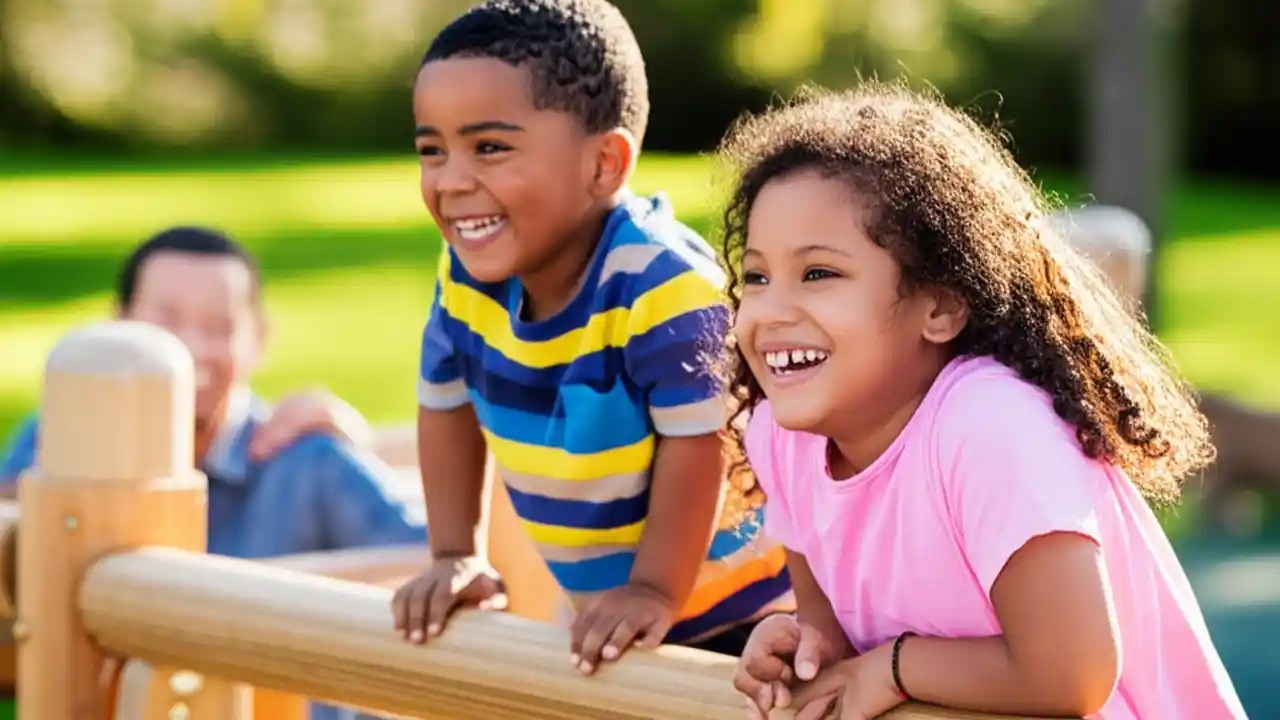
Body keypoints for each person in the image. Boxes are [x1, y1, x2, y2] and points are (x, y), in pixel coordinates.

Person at [723, 85, 1245, 719]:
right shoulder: (784, 436)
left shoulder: (989, 428)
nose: (771, 310)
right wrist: (802, 649)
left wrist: (895, 667)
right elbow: (829, 631)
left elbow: (1071, 674)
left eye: (819, 274)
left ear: (939, 307)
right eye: (756, 276)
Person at [391, 0, 792, 674]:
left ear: (604, 164)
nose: (451, 181)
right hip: (609, 608)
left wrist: (654, 590)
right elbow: (446, 402)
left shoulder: (661, 285)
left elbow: (700, 444)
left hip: (756, 612)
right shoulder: (465, 276)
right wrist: (454, 552)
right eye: (432, 150)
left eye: (489, 147)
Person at [0, 226, 426, 558]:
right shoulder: (57, 437)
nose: (189, 350)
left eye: (218, 328)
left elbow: (430, 562)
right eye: (166, 323)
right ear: (120, 324)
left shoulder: (307, 461)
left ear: (258, 340)